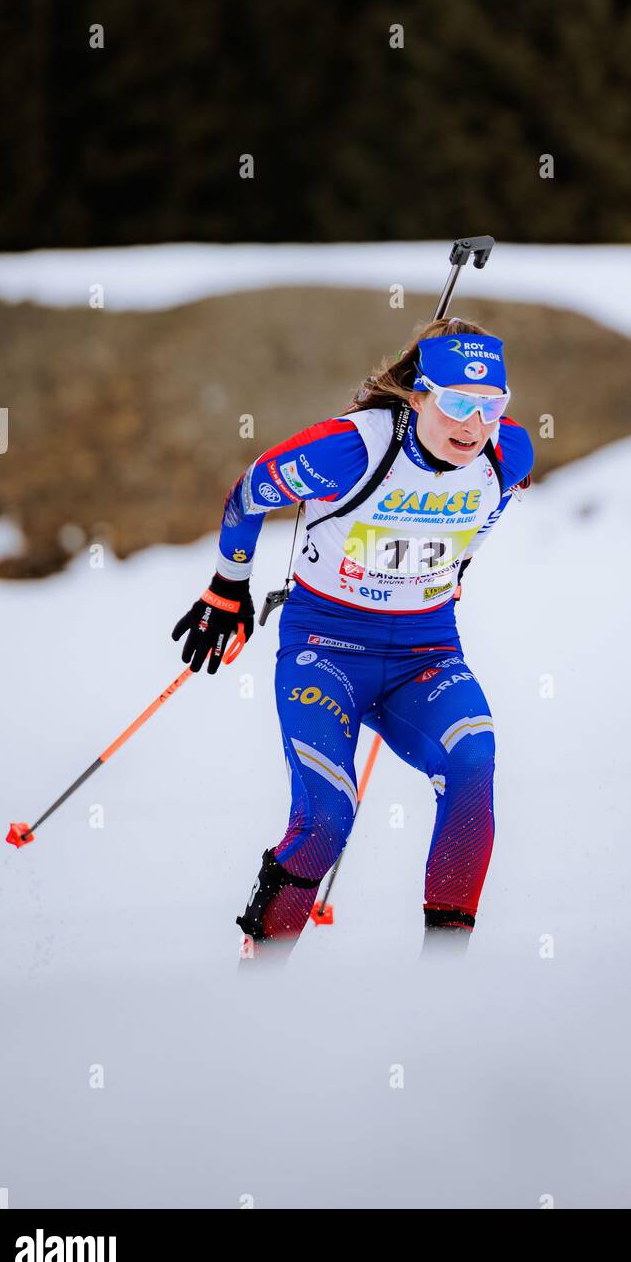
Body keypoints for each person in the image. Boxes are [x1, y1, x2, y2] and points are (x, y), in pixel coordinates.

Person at [172, 316, 533, 959]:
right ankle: (260, 982)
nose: (474, 425)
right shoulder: (349, 449)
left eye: (491, 405)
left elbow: (476, 528)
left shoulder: (508, 455)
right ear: (419, 393)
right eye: (456, 402)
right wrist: (227, 588)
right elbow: (249, 492)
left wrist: (445, 570)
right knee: (327, 820)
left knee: (473, 759)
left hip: (427, 654)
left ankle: (446, 981)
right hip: (327, 652)